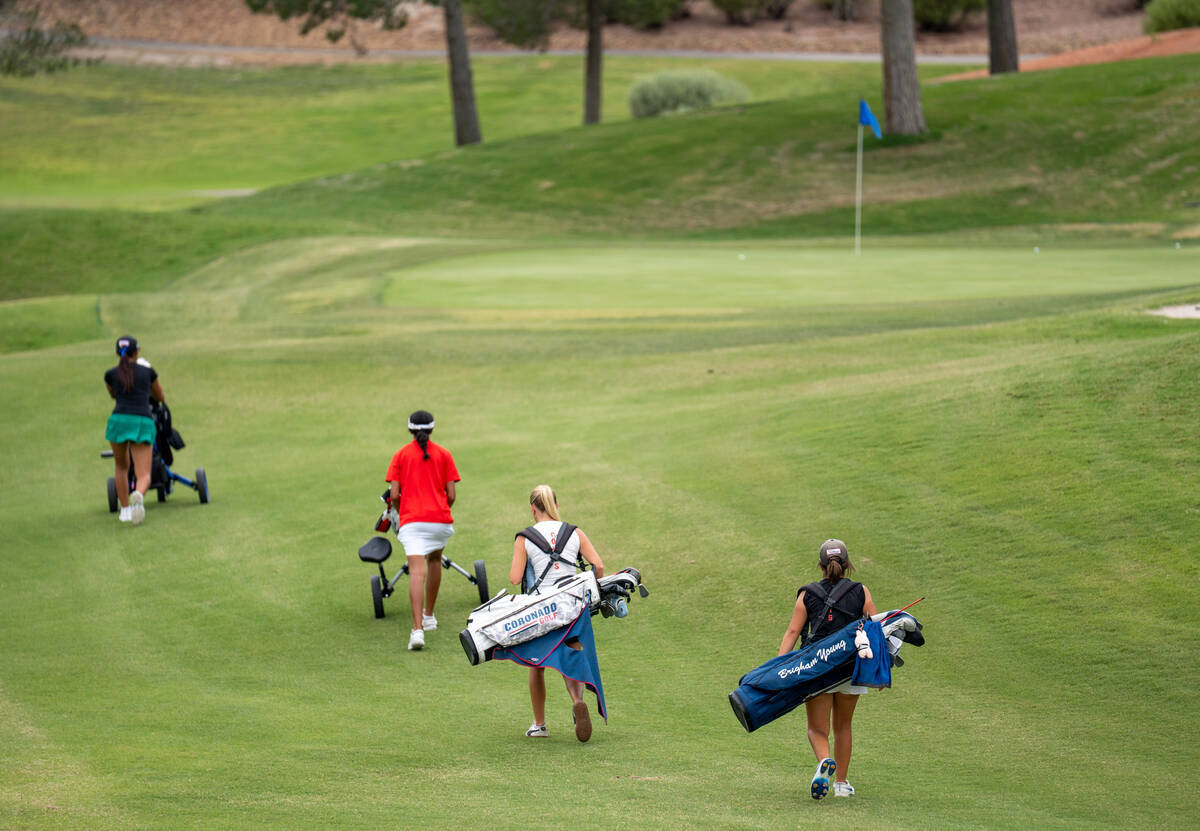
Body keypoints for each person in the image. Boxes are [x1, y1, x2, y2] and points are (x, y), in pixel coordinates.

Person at [777, 538, 877, 800]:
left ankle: (824, 761)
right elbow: (875, 627)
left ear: (821, 566)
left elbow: (793, 631)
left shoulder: (807, 594)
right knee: (843, 726)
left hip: (817, 669)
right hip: (849, 669)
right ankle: (842, 784)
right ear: (847, 565)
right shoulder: (861, 591)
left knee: (817, 729)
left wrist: (779, 666)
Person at [508, 484, 604, 741]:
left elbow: (515, 578)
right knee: (571, 653)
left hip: (543, 609)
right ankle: (576, 701)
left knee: (536, 664)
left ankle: (539, 725)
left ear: (532, 509)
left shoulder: (525, 537)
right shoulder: (574, 532)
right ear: (556, 506)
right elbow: (598, 566)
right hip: (572, 605)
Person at [384, 410, 460, 652]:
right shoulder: (445, 454)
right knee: (435, 560)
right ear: (432, 429)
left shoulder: (400, 456)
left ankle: (417, 630)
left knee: (417, 572)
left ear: (410, 430)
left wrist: (403, 510)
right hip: (439, 520)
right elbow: (451, 495)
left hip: (412, 521)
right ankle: (429, 616)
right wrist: (438, 510)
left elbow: (394, 495)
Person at [104, 335, 165, 526]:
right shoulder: (147, 372)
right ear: (136, 352)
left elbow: (114, 394)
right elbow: (160, 396)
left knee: (122, 467)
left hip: (118, 420)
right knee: (143, 474)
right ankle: (138, 494)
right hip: (141, 421)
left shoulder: (110, 375)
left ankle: (125, 510)